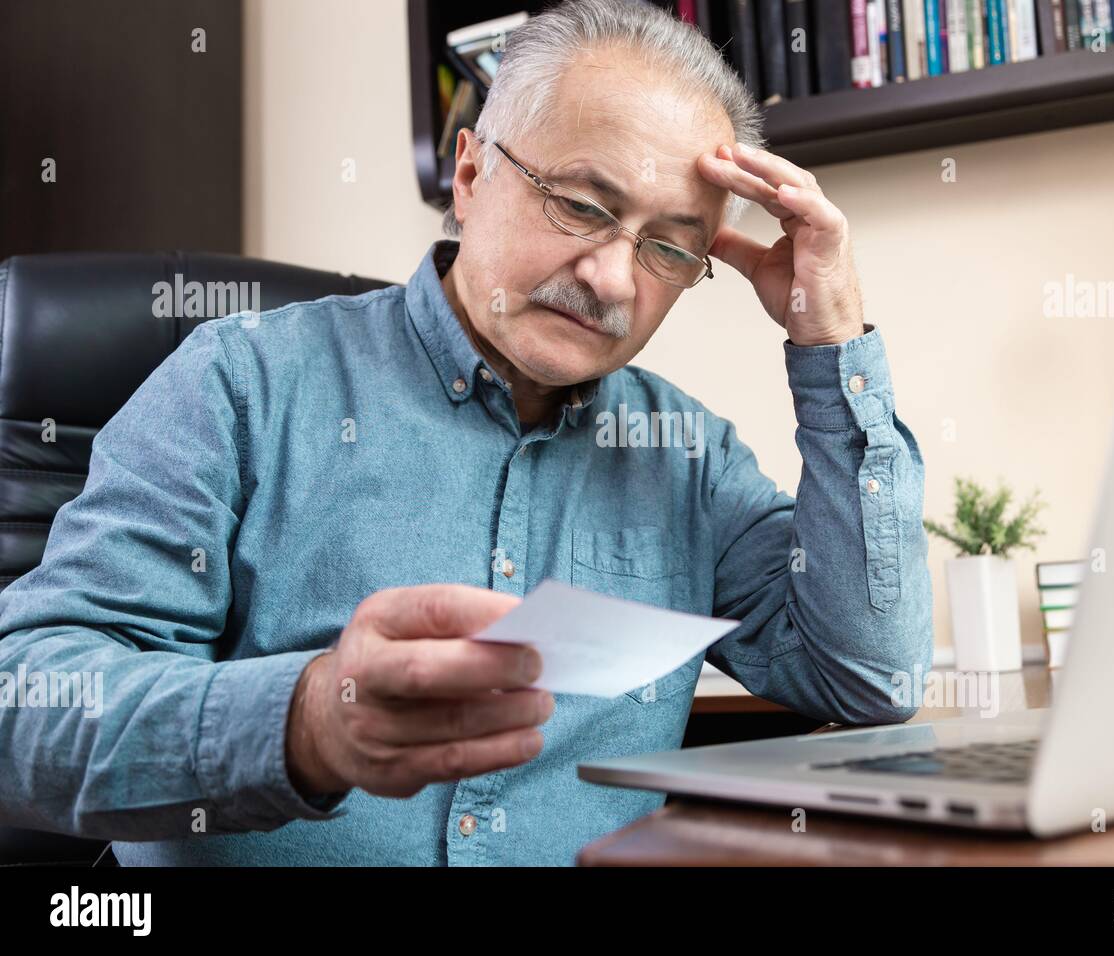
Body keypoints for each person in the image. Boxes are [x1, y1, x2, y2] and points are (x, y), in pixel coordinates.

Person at [0, 0, 932, 865]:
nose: (612, 280)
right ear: (472, 172)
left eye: (669, 247)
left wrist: (832, 337)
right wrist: (309, 722)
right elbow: (28, 706)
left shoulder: (685, 456)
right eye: (580, 204)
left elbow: (866, 678)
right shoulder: (238, 383)